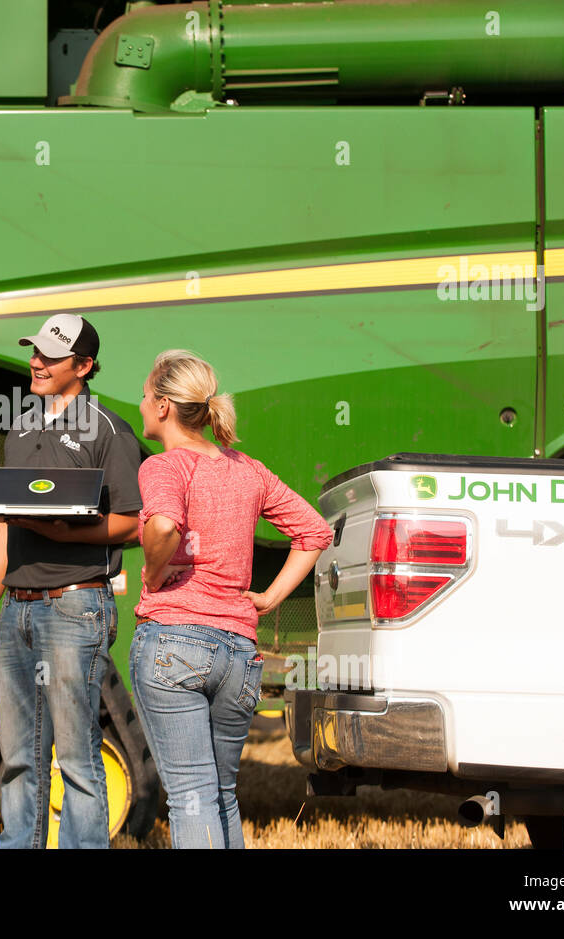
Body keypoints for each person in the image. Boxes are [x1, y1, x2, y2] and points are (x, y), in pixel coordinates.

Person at [130, 349, 332, 849]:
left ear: (161, 407)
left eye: (143, 394)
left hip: (174, 640)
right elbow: (314, 531)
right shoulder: (249, 471)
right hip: (240, 653)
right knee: (221, 794)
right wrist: (270, 597)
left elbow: (161, 524)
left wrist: (154, 571)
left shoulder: (164, 466)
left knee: (192, 798)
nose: (140, 403)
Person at [0, 313, 142, 849]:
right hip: (16, 610)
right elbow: (5, 525)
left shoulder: (112, 432)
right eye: (34, 351)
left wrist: (67, 537)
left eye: (50, 355)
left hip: (75, 605)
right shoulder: (18, 430)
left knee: (77, 753)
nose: (36, 362)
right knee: (17, 753)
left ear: (84, 366)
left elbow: (133, 523)